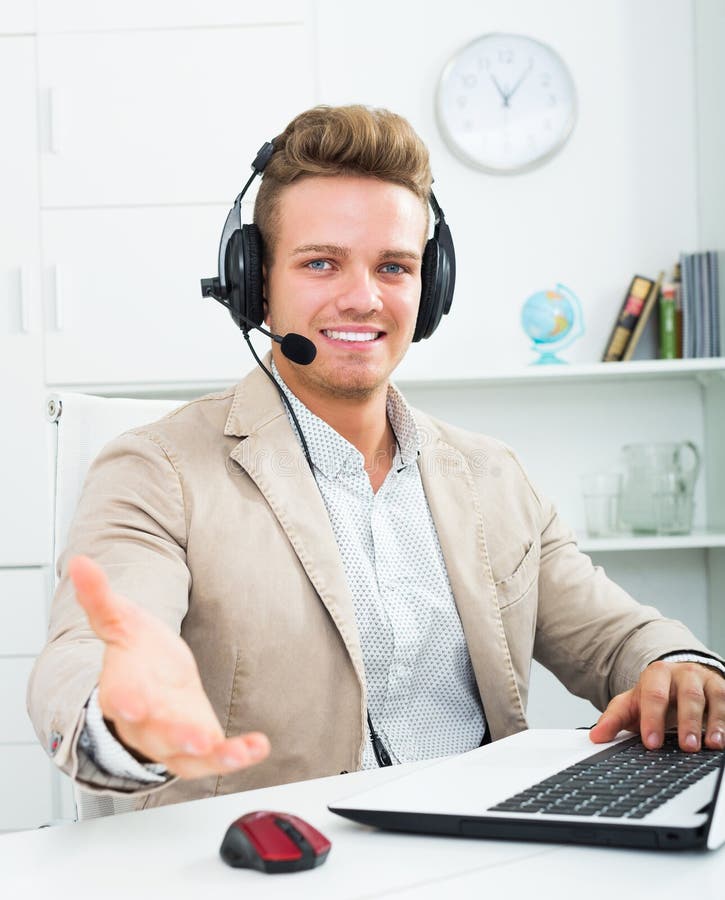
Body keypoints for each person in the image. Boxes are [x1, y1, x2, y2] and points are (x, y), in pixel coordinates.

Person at [28, 105, 725, 812]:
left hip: (483, 850)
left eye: (393, 266)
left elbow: (613, 636)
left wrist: (677, 665)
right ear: (254, 283)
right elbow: (86, 653)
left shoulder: (490, 475)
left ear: (430, 291)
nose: (362, 299)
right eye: (321, 262)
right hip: (269, 865)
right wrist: (122, 714)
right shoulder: (158, 470)